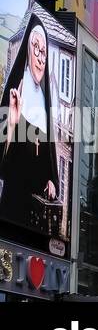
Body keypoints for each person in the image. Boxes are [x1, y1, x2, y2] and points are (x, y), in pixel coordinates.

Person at [0, 17, 59, 228]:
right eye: (36, 47)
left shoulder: (45, 103)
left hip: (35, 219)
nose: (40, 57)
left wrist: (51, 180)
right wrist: (13, 123)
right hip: (11, 205)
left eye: (44, 51)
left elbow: (47, 160)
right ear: (26, 48)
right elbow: (3, 166)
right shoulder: (16, 90)